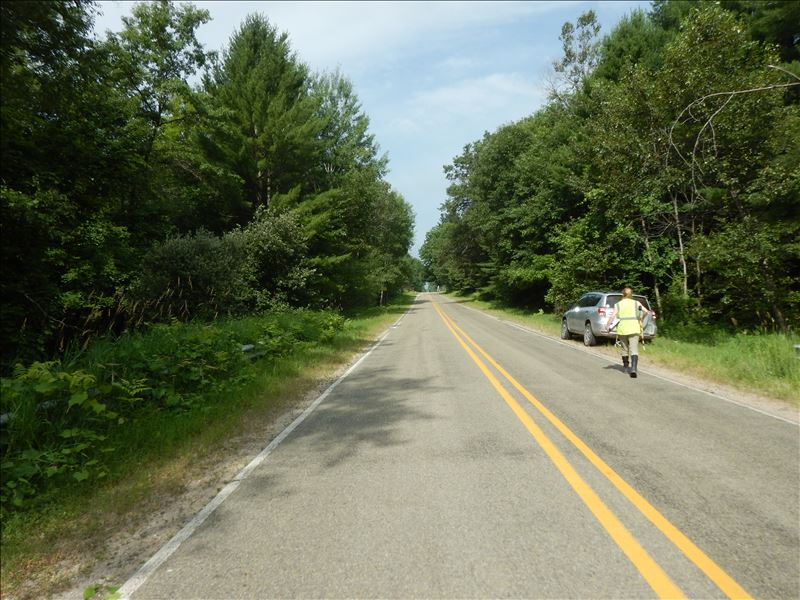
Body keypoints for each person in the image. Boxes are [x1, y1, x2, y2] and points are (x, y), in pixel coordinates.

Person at [609, 287, 651, 378]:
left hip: (622, 329)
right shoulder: (636, 303)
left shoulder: (618, 304)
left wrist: (608, 326)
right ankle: (634, 369)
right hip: (634, 328)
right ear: (631, 294)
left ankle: (625, 366)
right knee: (634, 349)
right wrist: (641, 318)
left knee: (624, 348)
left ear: (622, 294)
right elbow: (646, 311)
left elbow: (612, 316)